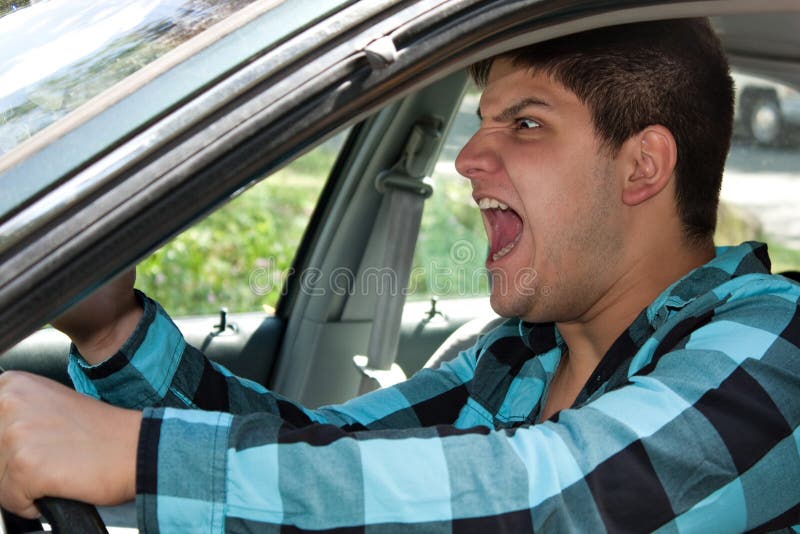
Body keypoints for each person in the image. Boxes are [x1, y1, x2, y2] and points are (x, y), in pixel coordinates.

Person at [0, 17, 798, 532]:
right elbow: (320, 450)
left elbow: (554, 500)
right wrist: (113, 333)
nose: (468, 161)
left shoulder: (774, 351)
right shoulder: (515, 358)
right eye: (480, 125)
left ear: (642, 167)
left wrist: (138, 456)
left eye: (525, 124)